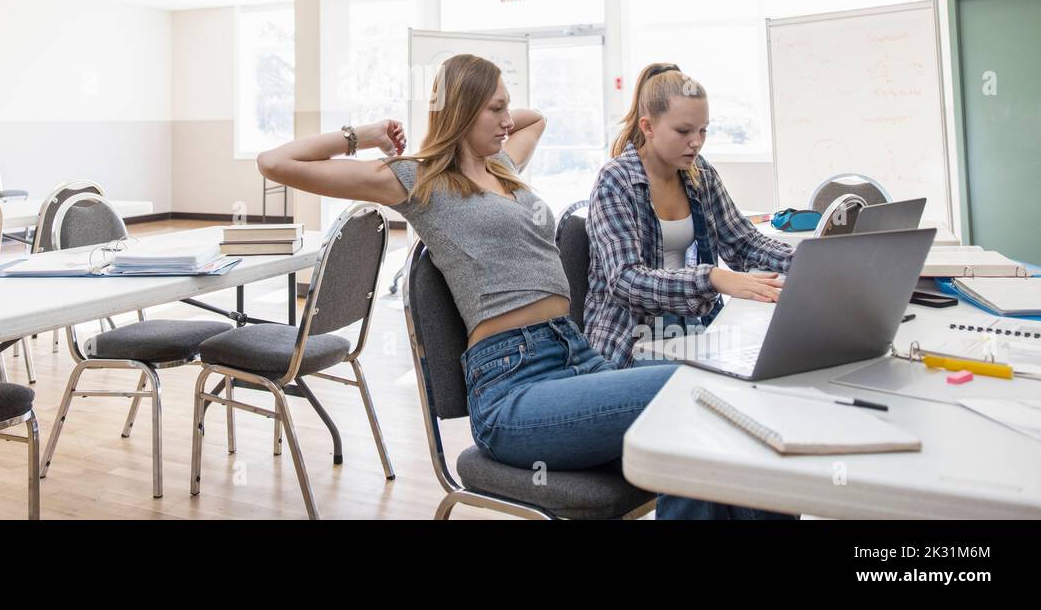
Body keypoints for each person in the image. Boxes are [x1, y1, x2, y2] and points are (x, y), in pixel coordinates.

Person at [257, 53, 788, 518]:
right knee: (690, 391)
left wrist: (497, 110)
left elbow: (537, 118)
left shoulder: (504, 167)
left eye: (505, 106)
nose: (509, 120)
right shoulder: (415, 180)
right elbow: (276, 163)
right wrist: (366, 136)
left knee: (723, 413)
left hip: (575, 357)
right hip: (514, 387)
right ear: (461, 110)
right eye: (494, 109)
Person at [584, 63, 796, 369]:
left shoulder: (700, 173)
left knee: (768, 363)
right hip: (631, 339)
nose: (696, 142)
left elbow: (743, 242)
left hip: (689, 323)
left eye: (703, 130)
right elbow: (627, 281)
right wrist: (712, 278)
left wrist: (807, 262)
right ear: (648, 126)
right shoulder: (616, 179)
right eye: (683, 131)